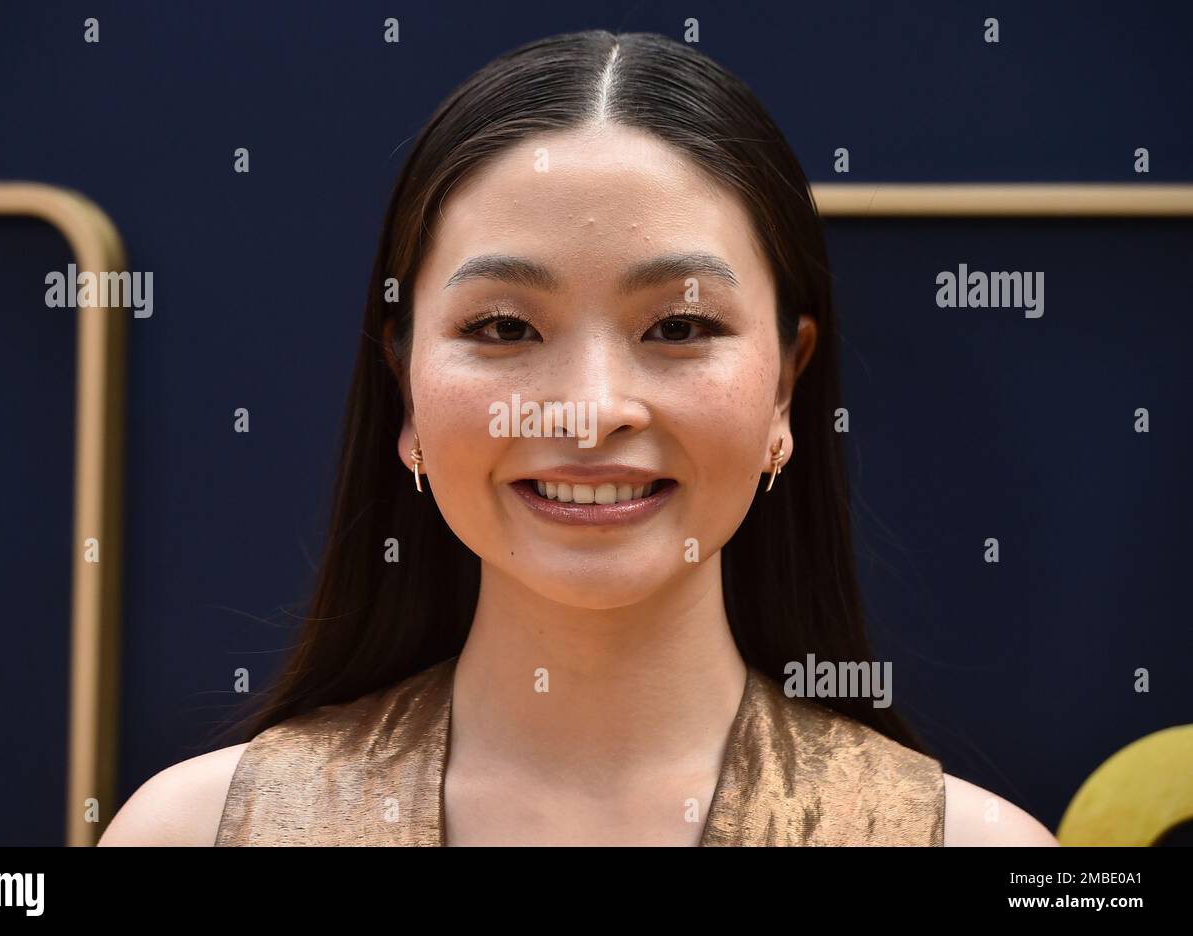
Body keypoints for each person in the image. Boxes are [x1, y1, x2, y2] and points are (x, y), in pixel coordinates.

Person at [101, 29, 1057, 846]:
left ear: (785, 388)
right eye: (504, 329)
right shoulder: (197, 832)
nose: (587, 410)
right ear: (404, 388)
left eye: (679, 328)